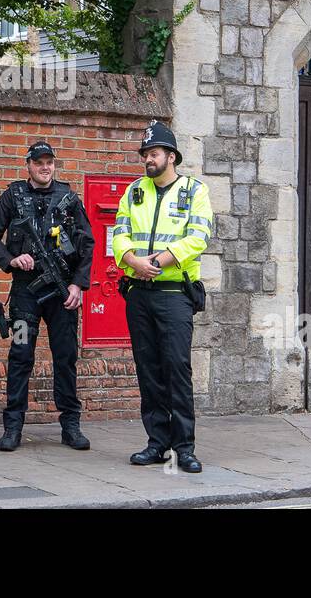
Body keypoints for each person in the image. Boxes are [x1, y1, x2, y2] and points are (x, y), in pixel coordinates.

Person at [111, 121, 213, 473]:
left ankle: (184, 448)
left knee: (176, 369)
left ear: (171, 157)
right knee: (148, 370)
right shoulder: (134, 191)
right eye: (144, 154)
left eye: (153, 154)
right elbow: (119, 235)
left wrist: (158, 261)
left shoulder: (194, 191)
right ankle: (156, 443)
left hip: (174, 294)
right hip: (139, 292)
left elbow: (198, 237)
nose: (147, 160)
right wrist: (134, 262)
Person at [0, 140, 94, 452]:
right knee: (20, 357)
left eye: (50, 162)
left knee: (65, 357)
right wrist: (10, 260)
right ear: (28, 165)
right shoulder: (12, 196)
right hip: (25, 294)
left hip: (62, 294)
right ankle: (13, 426)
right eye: (39, 162)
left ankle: (71, 425)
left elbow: (87, 245)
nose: (46, 167)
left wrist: (77, 286)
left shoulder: (69, 199)